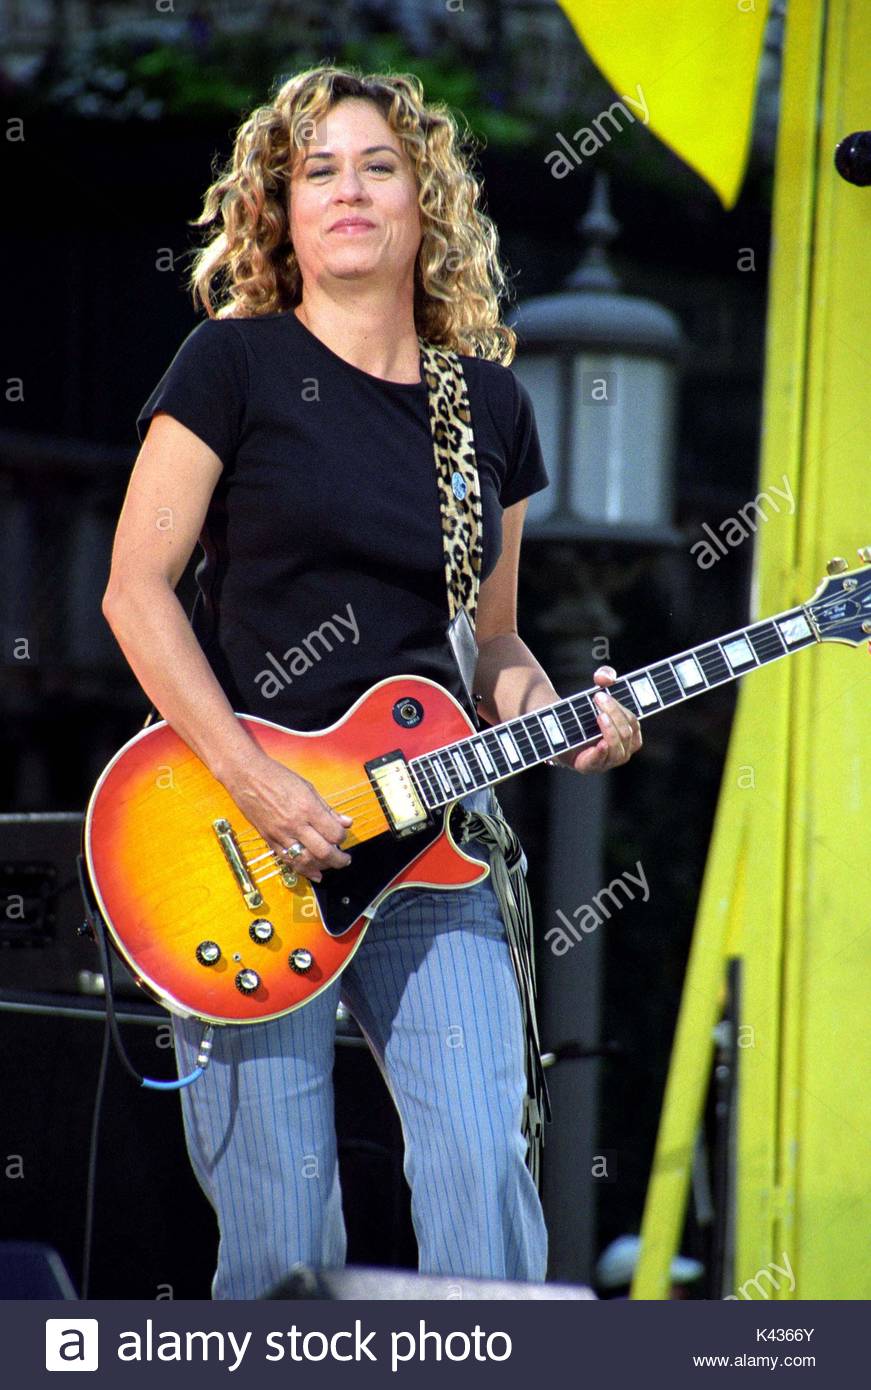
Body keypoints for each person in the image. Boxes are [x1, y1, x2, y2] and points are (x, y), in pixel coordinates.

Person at [102, 64, 643, 1299]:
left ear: (425, 200)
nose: (348, 191)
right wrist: (258, 782)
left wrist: (564, 716)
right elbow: (134, 591)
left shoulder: (485, 409)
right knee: (282, 1235)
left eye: (377, 165)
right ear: (280, 213)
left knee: (483, 1182)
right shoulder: (227, 366)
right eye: (318, 171)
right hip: (239, 834)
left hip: (432, 840)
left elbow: (493, 646)